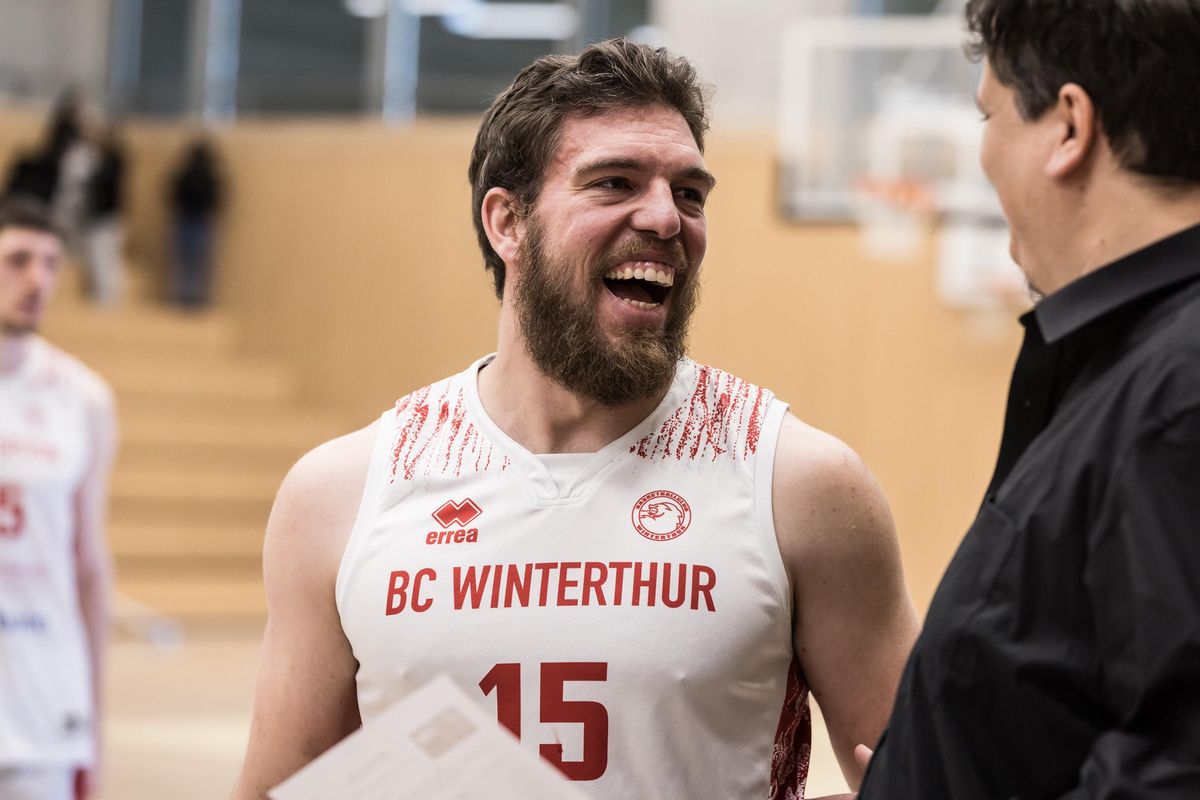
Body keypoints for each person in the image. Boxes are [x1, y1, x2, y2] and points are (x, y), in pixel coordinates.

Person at [232, 39, 918, 800]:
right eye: (615, 182)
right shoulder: (342, 493)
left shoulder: (801, 485)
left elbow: (936, 778)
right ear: (508, 223)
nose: (666, 217)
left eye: (690, 193)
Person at [857, 1, 1200, 797]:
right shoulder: (1131, 367)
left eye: (990, 115)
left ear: (1070, 127)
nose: (981, 153)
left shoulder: (1174, 396)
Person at [0, 197, 115, 799]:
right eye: (18, 260)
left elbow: (90, 564)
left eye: (50, 263)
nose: (37, 279)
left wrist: (93, 718)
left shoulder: (83, 398)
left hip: (43, 702)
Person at [168, 138, 222, 308]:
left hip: (196, 220)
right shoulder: (194, 176)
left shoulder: (202, 177)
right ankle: (189, 297)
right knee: (191, 260)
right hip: (191, 219)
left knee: (193, 261)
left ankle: (192, 297)